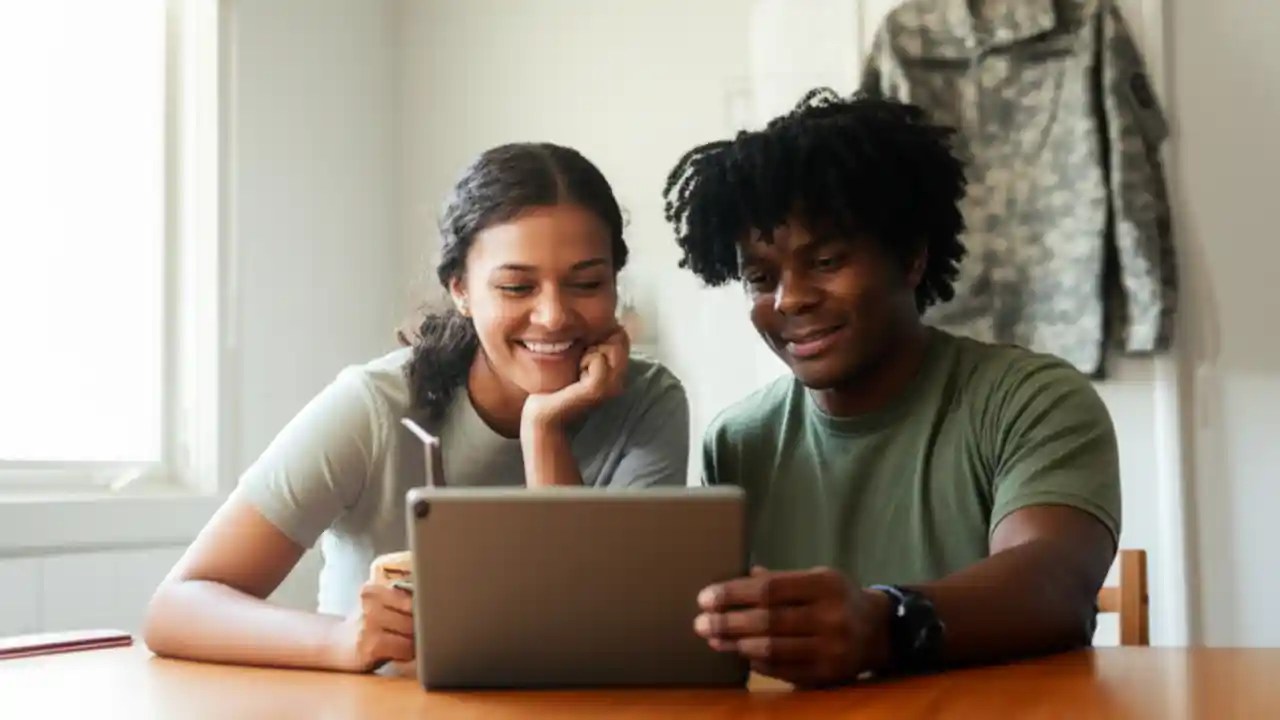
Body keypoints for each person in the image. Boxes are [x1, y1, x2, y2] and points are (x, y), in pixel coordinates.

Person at [144, 143, 689, 672]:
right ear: (461, 290)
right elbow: (176, 607)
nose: (551, 315)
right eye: (517, 286)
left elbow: (596, 630)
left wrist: (543, 428)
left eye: (586, 283)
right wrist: (341, 640)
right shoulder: (374, 407)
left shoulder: (648, 405)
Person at [663, 89, 1121, 687]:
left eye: (826, 261)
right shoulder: (737, 441)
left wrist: (884, 622)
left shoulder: (1031, 401)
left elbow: (1054, 581)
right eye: (761, 277)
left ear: (909, 258)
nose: (790, 299)